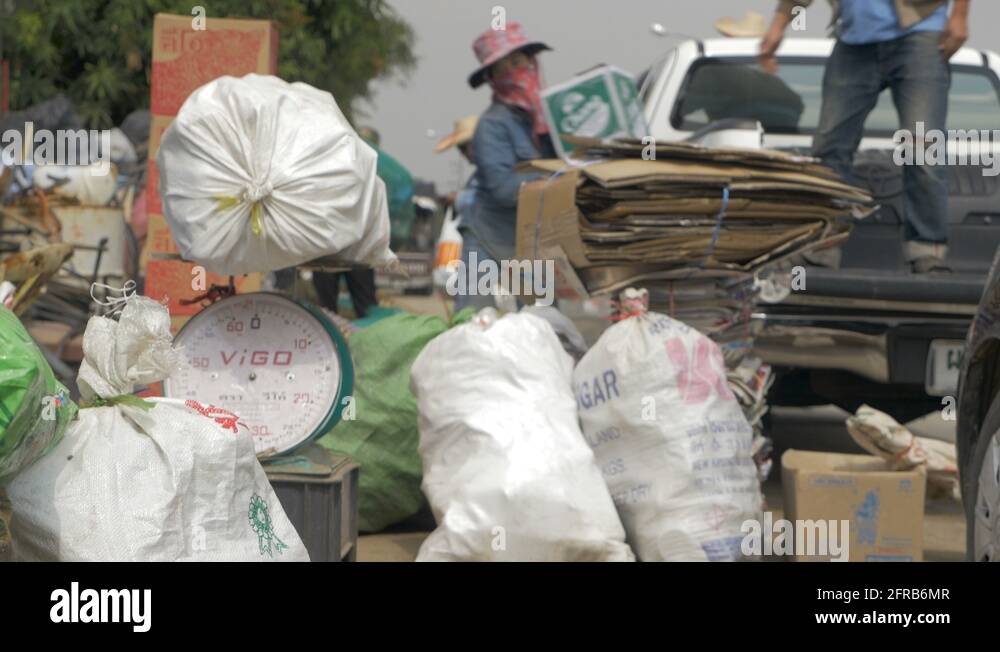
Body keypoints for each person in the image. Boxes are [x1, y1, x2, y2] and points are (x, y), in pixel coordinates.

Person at [759, 0, 970, 273]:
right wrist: (778, 26)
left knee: (922, 146)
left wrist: (960, 15)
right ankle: (822, 246)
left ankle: (927, 251)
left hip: (920, 31)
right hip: (854, 40)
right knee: (829, 148)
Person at [456, 22, 556, 310]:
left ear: (532, 61)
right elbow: (503, 189)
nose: (515, 71)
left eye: (518, 61)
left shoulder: (551, 120)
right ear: (493, 78)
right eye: (504, 67)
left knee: (543, 332)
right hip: (488, 240)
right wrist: (558, 178)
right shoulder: (492, 125)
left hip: (532, 246)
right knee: (473, 329)